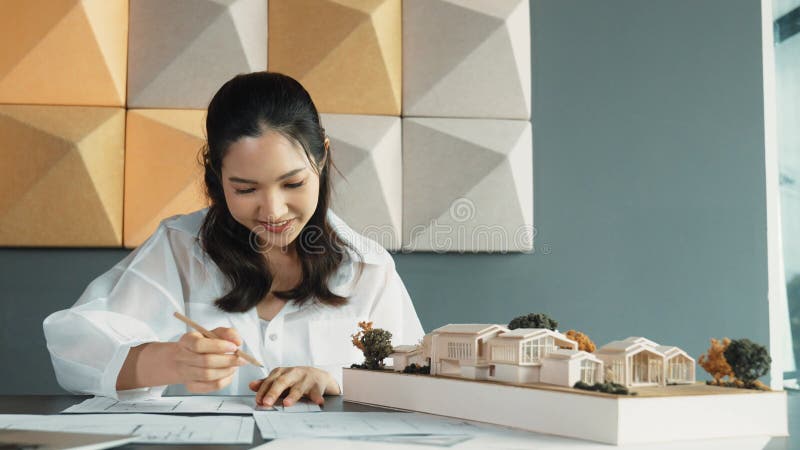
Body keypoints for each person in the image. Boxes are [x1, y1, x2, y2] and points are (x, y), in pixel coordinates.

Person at [43, 71, 425, 407]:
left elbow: (418, 380)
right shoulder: (180, 249)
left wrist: (333, 379)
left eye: (293, 183)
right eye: (245, 189)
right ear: (217, 173)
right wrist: (171, 361)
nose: (273, 211)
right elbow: (74, 344)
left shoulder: (367, 268)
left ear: (321, 158)